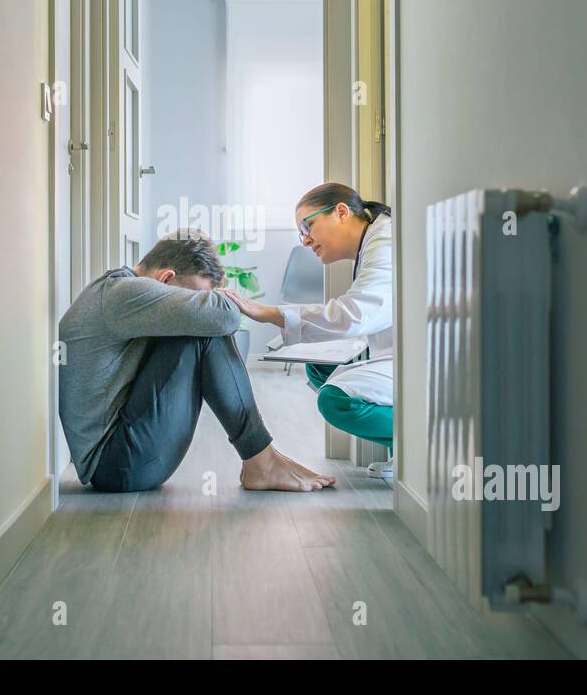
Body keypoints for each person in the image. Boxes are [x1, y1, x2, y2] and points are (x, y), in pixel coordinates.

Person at [57, 229, 337, 494]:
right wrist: (217, 301)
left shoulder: (117, 289)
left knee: (203, 322)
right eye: (192, 295)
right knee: (204, 331)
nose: (191, 303)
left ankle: (264, 457)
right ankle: (262, 462)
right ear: (166, 279)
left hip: (123, 456)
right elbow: (225, 316)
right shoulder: (124, 294)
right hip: (117, 466)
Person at [221, 183, 395, 479]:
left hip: (424, 364)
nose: (304, 240)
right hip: (393, 352)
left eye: (307, 226)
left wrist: (270, 314)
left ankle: (421, 443)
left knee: (337, 401)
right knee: (319, 366)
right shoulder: (374, 239)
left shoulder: (385, 243)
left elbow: (354, 315)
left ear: (342, 212)